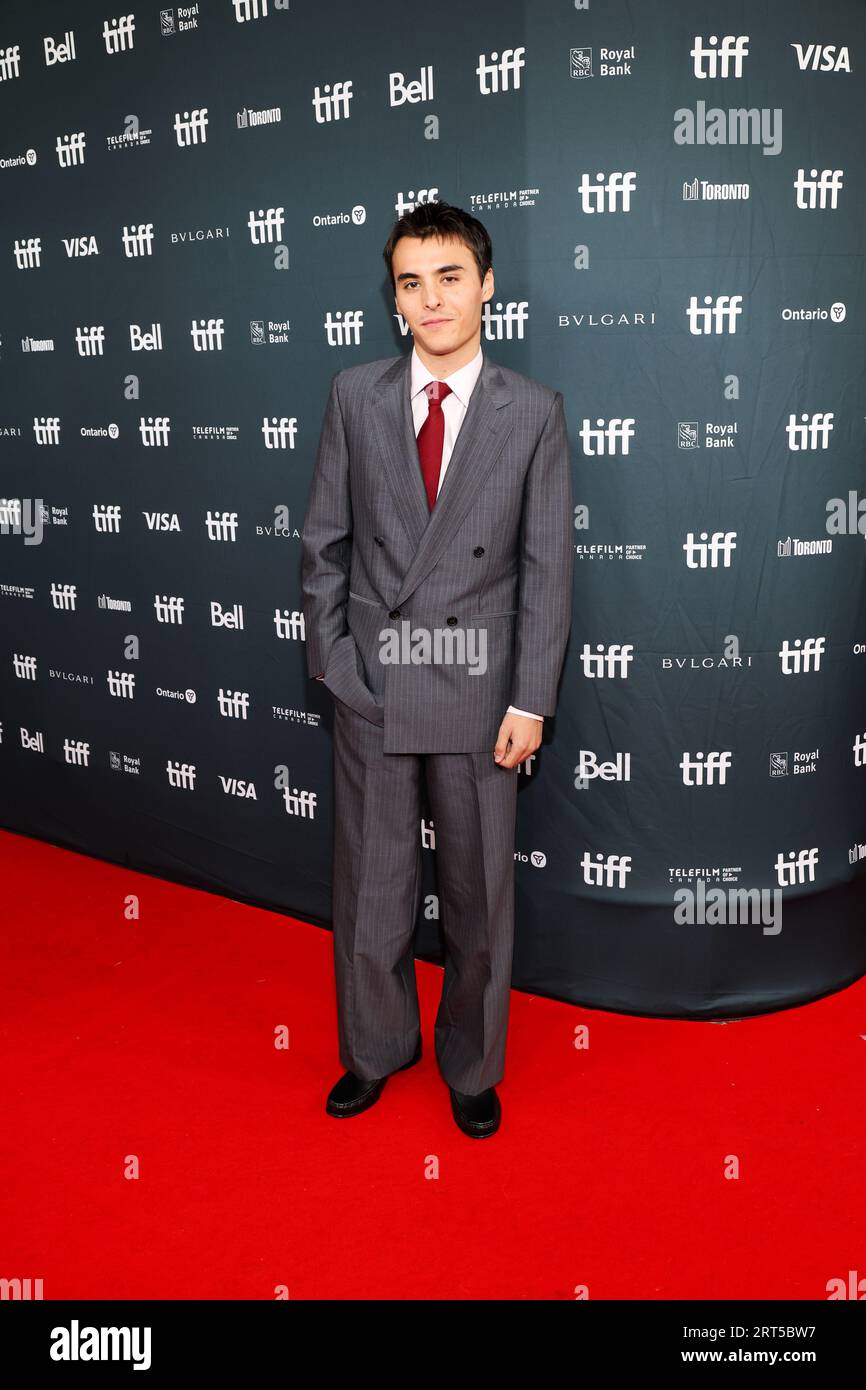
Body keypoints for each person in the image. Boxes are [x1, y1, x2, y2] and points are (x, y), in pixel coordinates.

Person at [301, 200, 573, 1138]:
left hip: (477, 692)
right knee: (371, 890)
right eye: (411, 282)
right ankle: (375, 1051)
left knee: (475, 898)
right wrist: (337, 667)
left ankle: (472, 1063)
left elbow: (546, 568)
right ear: (395, 299)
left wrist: (531, 699)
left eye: (450, 277)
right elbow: (324, 547)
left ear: (487, 284)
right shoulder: (355, 395)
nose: (432, 299)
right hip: (375, 687)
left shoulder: (532, 412)